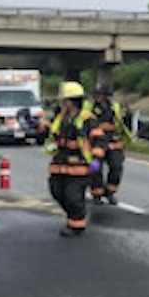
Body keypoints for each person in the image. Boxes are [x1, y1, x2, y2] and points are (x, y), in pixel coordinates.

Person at [40, 82, 105, 237]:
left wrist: (96, 159)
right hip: (60, 163)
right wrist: (43, 129)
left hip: (79, 165)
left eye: (65, 100)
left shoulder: (87, 118)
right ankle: (73, 215)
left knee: (73, 196)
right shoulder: (61, 117)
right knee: (56, 191)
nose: (63, 103)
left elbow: (99, 140)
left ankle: (77, 224)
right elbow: (53, 136)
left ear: (72, 100)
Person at [88, 83, 131, 205]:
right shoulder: (89, 107)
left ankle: (110, 192)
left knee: (116, 166)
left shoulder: (115, 107)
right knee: (96, 168)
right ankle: (97, 193)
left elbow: (121, 124)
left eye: (99, 94)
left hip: (113, 141)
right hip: (96, 142)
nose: (97, 97)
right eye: (96, 94)